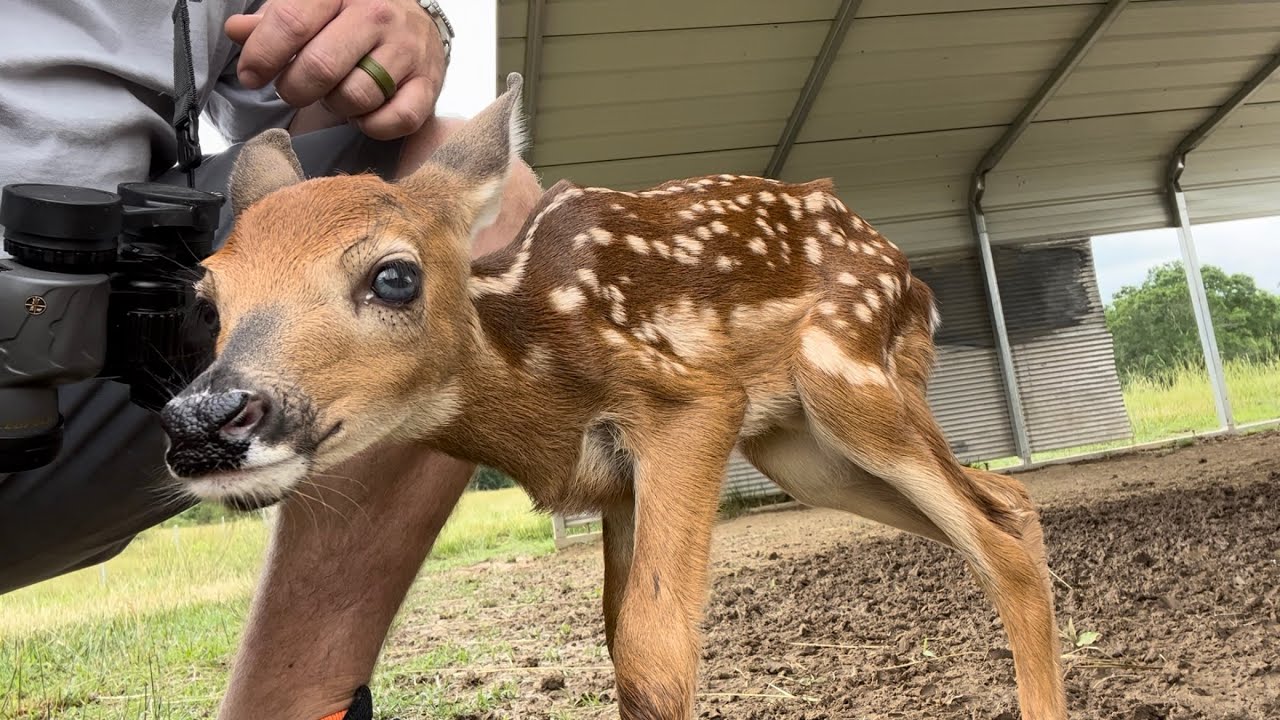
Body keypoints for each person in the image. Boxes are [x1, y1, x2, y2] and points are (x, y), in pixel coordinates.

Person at [0, 1, 542, 718]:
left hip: (91, 338)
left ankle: (296, 708)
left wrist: (400, 32)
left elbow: (310, 114)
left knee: (456, 205)